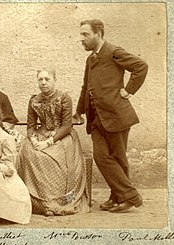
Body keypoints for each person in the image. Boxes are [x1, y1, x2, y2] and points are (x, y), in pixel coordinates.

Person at [73, 19, 148, 213]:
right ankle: (125, 196)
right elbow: (85, 86)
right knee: (102, 156)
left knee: (118, 158)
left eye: (85, 34)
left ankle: (122, 198)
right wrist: (79, 111)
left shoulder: (114, 52)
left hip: (117, 115)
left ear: (98, 34)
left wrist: (128, 91)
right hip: (96, 118)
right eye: (80, 34)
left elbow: (141, 66)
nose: (81, 38)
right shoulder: (90, 59)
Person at [17, 69, 90, 216]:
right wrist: (33, 139)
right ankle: (39, 202)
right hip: (41, 134)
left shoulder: (64, 98)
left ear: (54, 80)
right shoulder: (34, 100)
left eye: (47, 79)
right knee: (28, 152)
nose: (43, 83)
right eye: (40, 79)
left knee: (53, 158)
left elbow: (66, 125)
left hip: (62, 136)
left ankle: (59, 201)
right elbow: (31, 125)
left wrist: (49, 142)